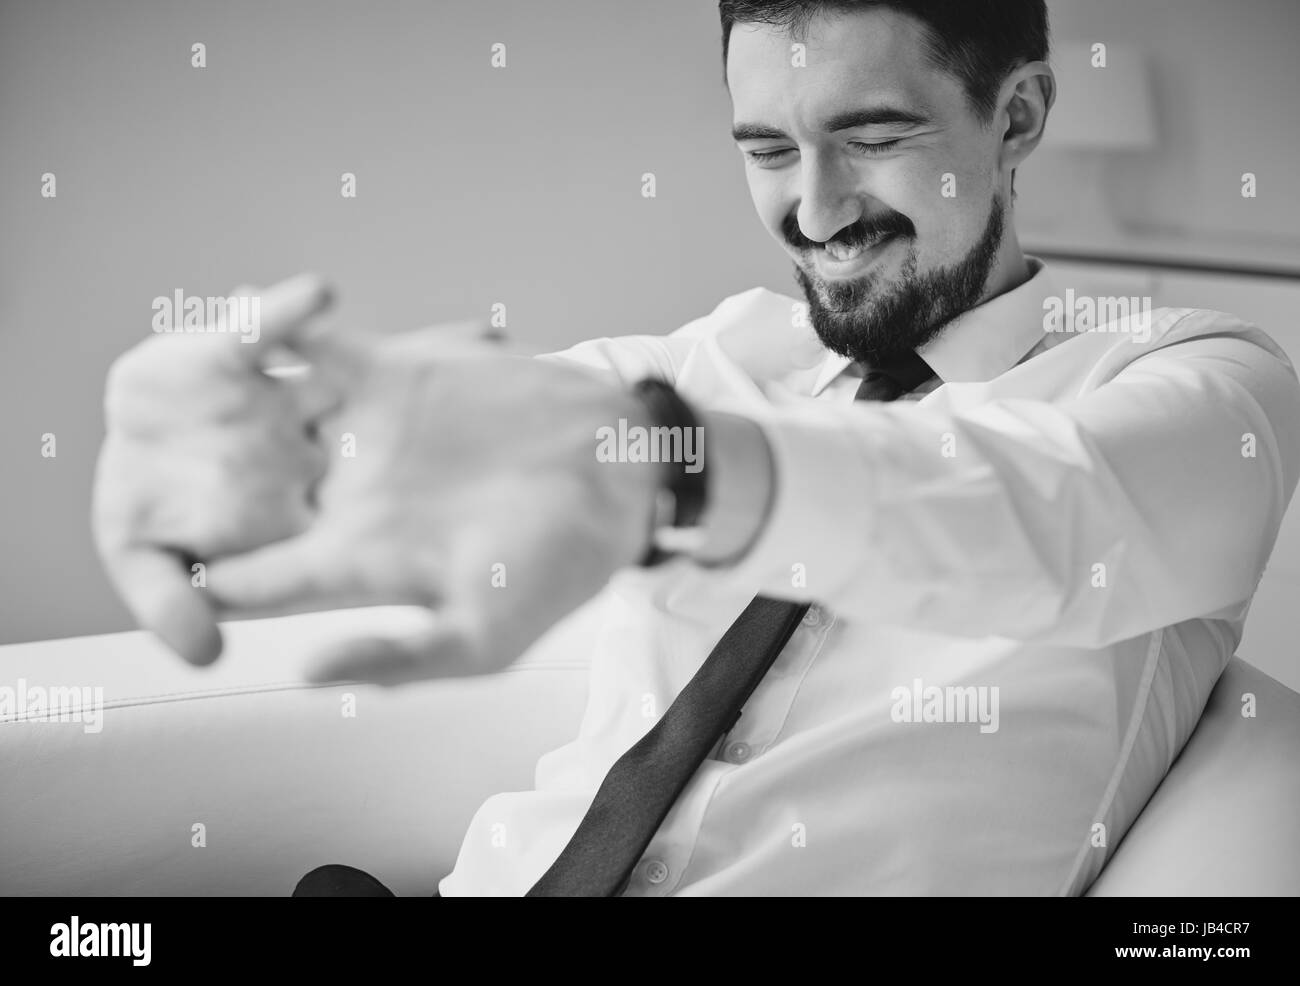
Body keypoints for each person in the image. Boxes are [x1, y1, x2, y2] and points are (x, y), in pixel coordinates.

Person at [92, 0, 1300, 896]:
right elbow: (478, 430)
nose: (815, 212)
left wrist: (689, 471)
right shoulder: (723, 356)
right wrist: (277, 438)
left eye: (871, 136)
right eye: (767, 150)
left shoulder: (1198, 384)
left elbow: (1047, 508)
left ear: (1018, 114)